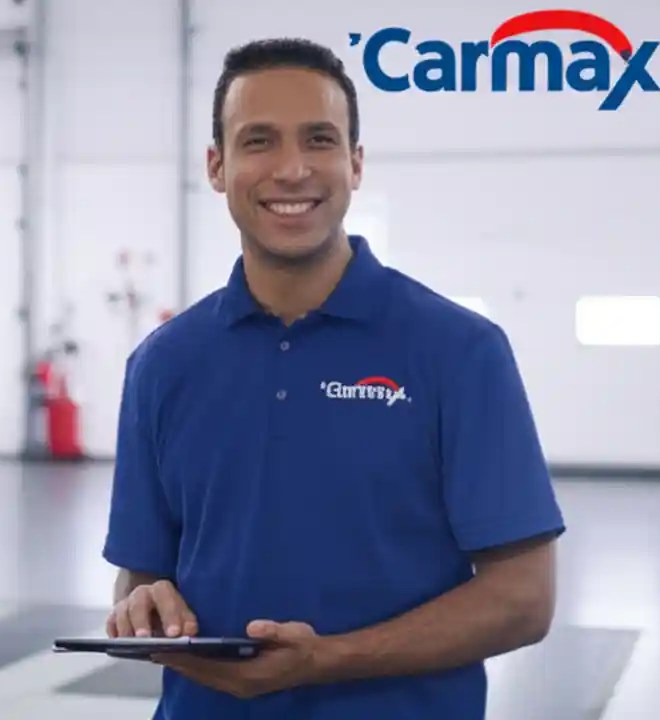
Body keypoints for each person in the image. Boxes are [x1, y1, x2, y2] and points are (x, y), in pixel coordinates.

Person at [101, 37, 566, 720]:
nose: (292, 169)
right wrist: (143, 608)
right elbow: (140, 576)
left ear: (354, 163)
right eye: (259, 141)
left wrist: (329, 659)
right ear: (217, 166)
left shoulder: (460, 353)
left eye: (318, 140)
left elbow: (523, 600)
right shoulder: (163, 364)